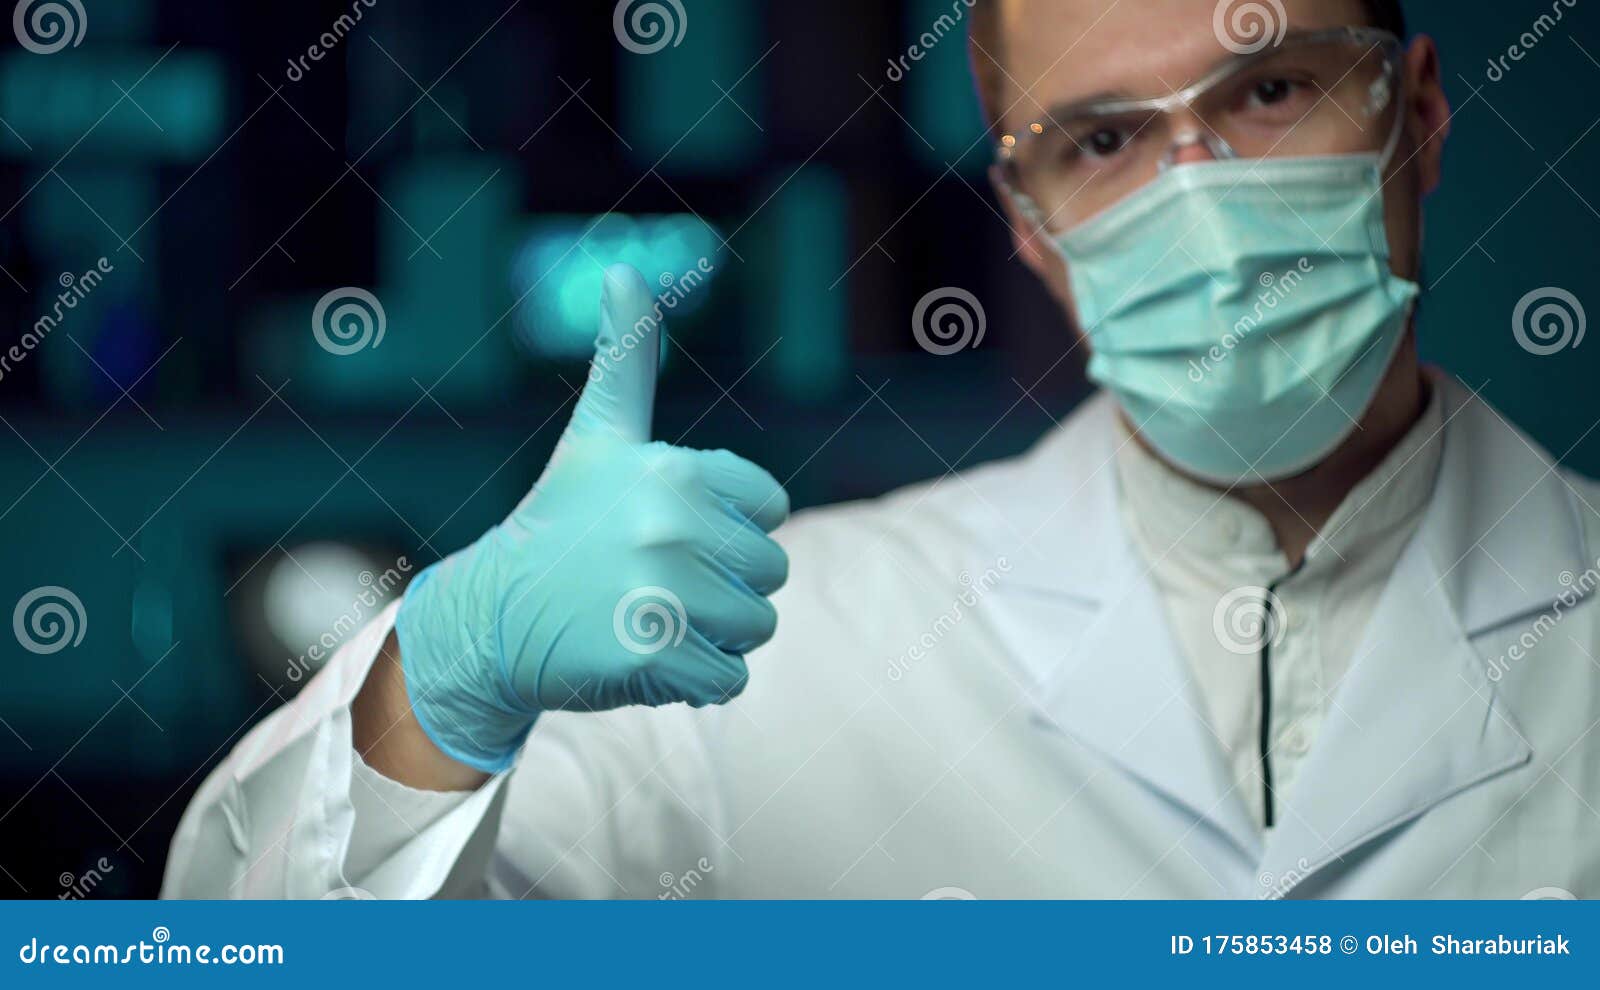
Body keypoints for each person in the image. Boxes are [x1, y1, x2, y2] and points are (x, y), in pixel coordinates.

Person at [163, 0, 1600, 899]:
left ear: (1412, 118)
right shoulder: (759, 655)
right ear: (1031, 226)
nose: (1200, 201)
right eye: (1102, 141)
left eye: (1271, 92)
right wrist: (437, 686)